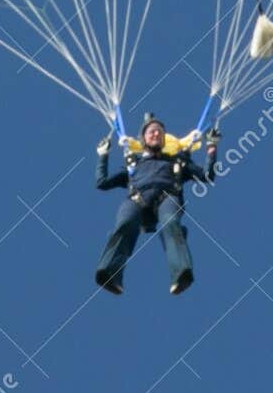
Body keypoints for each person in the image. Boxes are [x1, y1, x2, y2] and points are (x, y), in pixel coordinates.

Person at [93, 114, 217, 296]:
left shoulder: (178, 161)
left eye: (160, 132)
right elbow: (102, 183)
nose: (156, 134)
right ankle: (109, 273)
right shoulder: (134, 163)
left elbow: (207, 176)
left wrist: (211, 148)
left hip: (167, 198)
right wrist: (103, 155)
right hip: (137, 200)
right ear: (143, 139)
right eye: (151, 131)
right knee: (125, 224)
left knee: (170, 223)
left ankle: (181, 274)